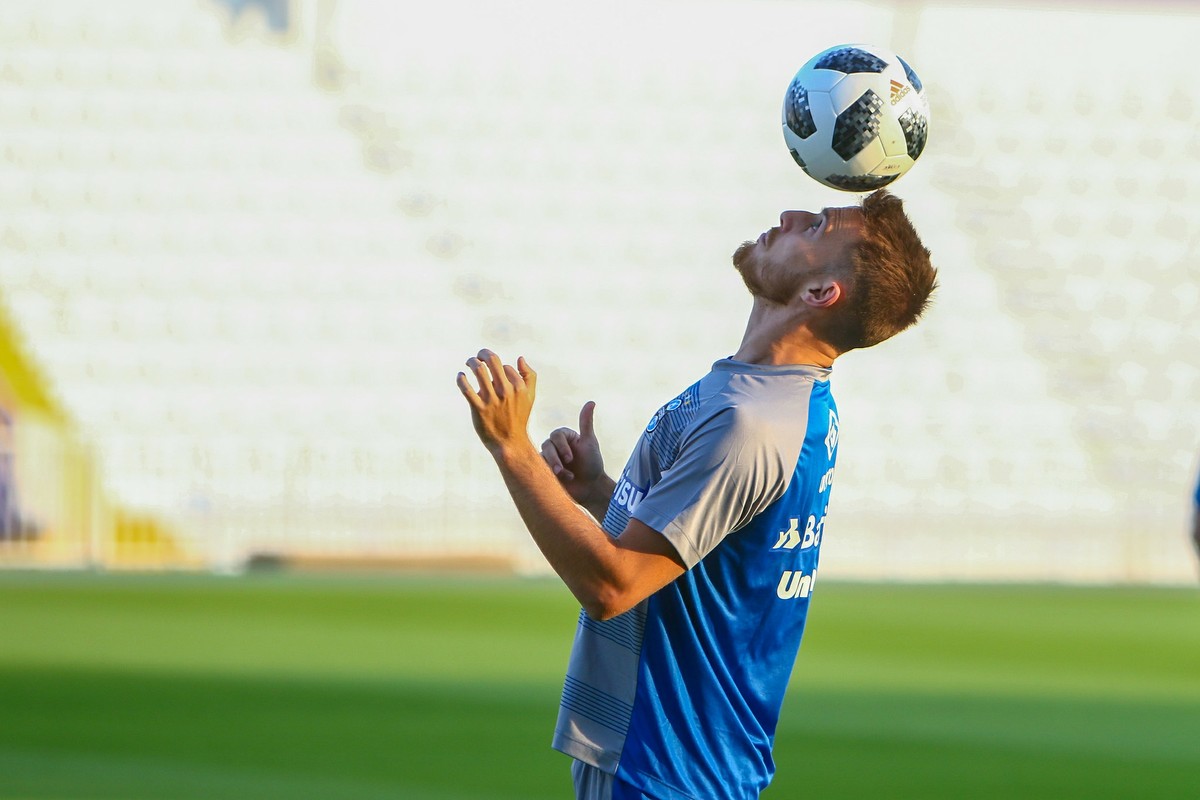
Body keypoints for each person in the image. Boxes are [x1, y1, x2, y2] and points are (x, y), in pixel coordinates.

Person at [456, 189, 937, 799]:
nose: (788, 216)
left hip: (664, 766)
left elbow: (613, 586)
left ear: (820, 294)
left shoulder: (753, 421)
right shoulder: (774, 399)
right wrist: (603, 495)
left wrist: (512, 448)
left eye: (813, 227)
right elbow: (704, 558)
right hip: (680, 766)